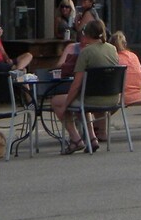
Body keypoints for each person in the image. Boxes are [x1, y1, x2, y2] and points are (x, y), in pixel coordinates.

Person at [51, 19, 120, 154]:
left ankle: (76, 139)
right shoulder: (112, 49)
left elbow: (76, 84)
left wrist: (66, 105)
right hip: (113, 98)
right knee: (81, 101)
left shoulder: (86, 52)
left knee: (57, 102)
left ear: (87, 34)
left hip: (92, 99)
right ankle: (92, 138)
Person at [110, 31, 141, 104]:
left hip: (121, 97)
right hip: (138, 96)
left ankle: (103, 116)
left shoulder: (114, 58)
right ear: (125, 44)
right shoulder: (134, 56)